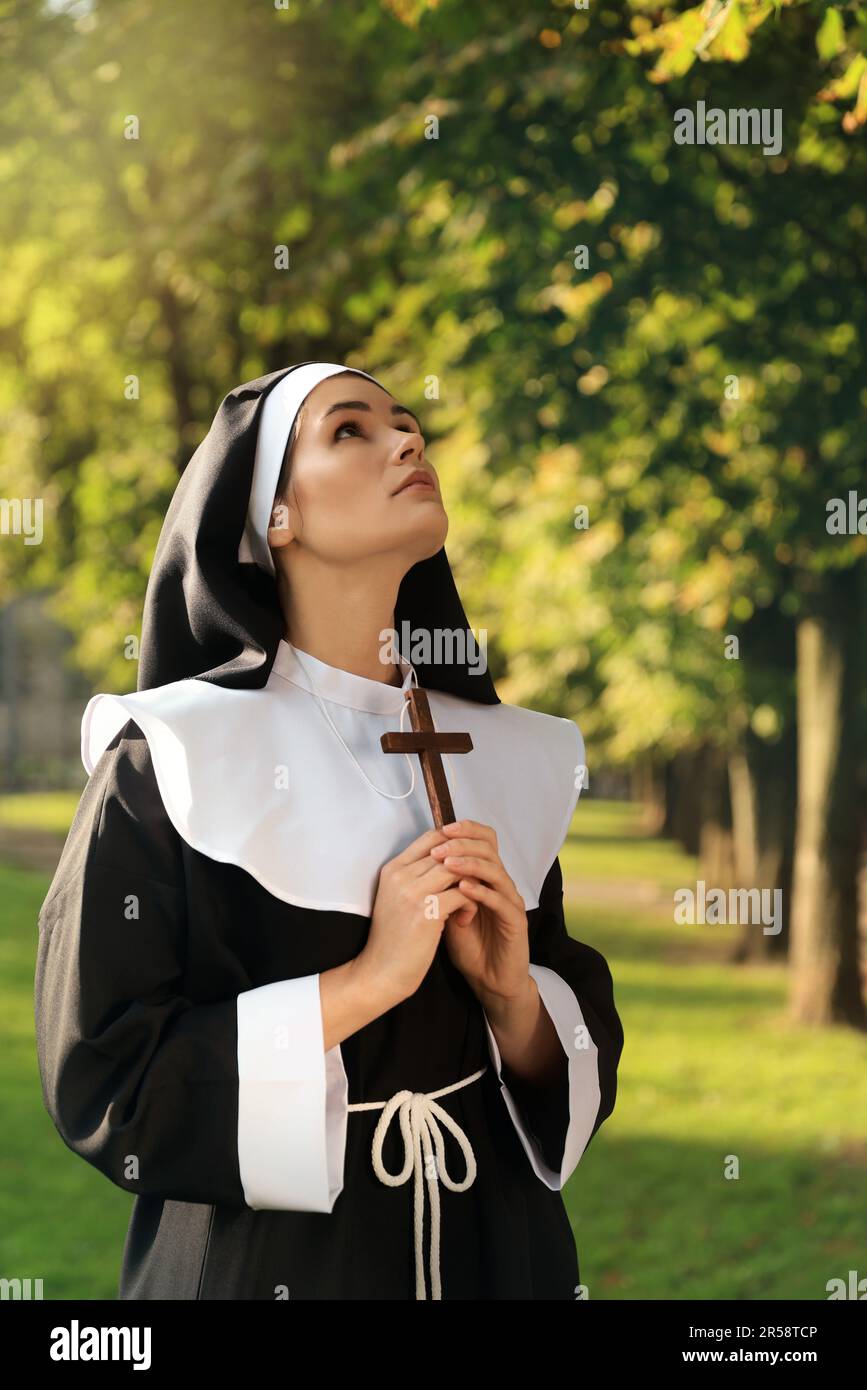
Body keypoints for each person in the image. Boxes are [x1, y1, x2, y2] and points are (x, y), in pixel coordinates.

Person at [34, 360, 624, 1300]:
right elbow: (107, 1080)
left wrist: (514, 997)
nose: (405, 441)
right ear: (276, 517)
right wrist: (364, 984)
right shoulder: (173, 758)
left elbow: (562, 1048)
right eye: (350, 430)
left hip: (496, 1254)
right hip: (264, 1267)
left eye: (407, 425)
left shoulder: (505, 754)